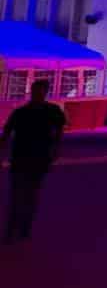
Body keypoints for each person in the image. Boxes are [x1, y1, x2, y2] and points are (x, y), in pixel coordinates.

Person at [1, 79, 67, 244]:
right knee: (22, 194)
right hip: (28, 157)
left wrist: (56, 149)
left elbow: (58, 132)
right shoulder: (34, 112)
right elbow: (7, 133)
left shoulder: (29, 112)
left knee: (26, 193)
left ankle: (19, 228)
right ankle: (17, 228)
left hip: (34, 158)